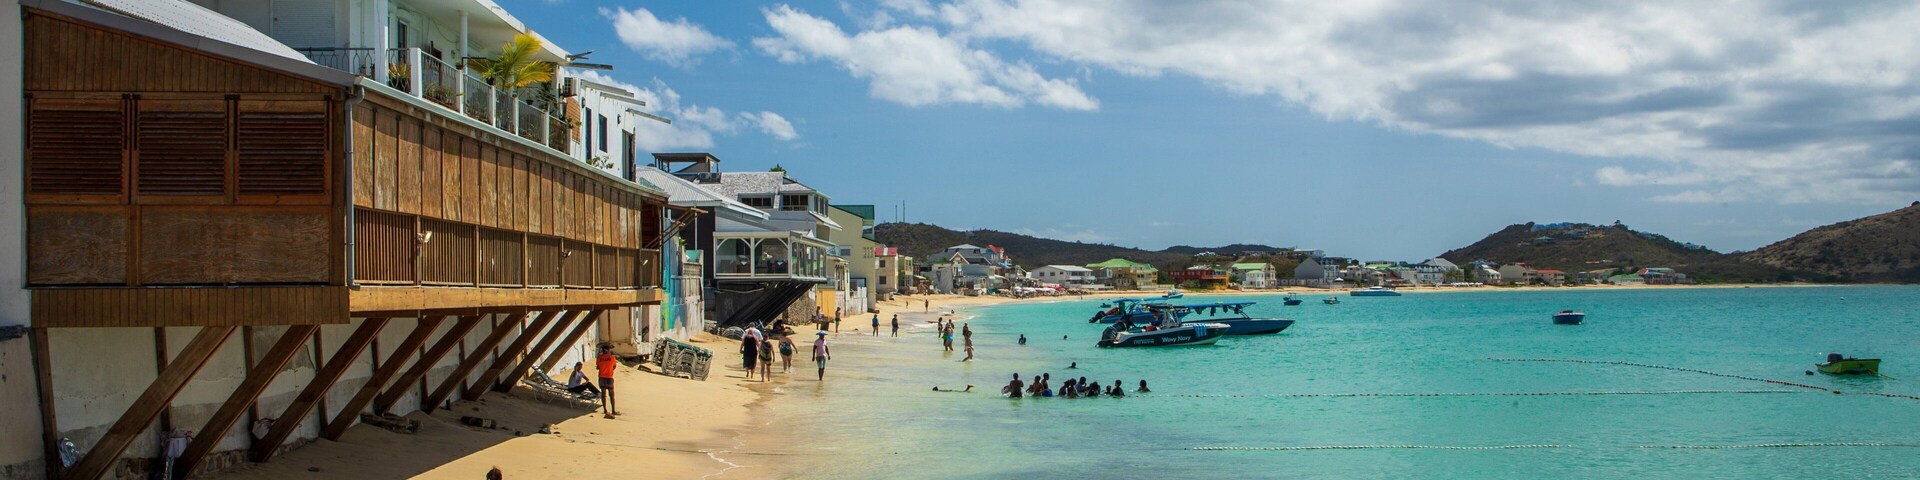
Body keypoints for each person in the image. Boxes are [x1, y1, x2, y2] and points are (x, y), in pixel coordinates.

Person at [595, 345, 619, 418]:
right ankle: (613, 410)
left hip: (602, 377)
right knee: (611, 395)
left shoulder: (599, 358)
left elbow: (598, 367)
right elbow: (614, 366)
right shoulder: (612, 358)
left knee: (603, 394)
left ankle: (605, 409)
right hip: (609, 377)